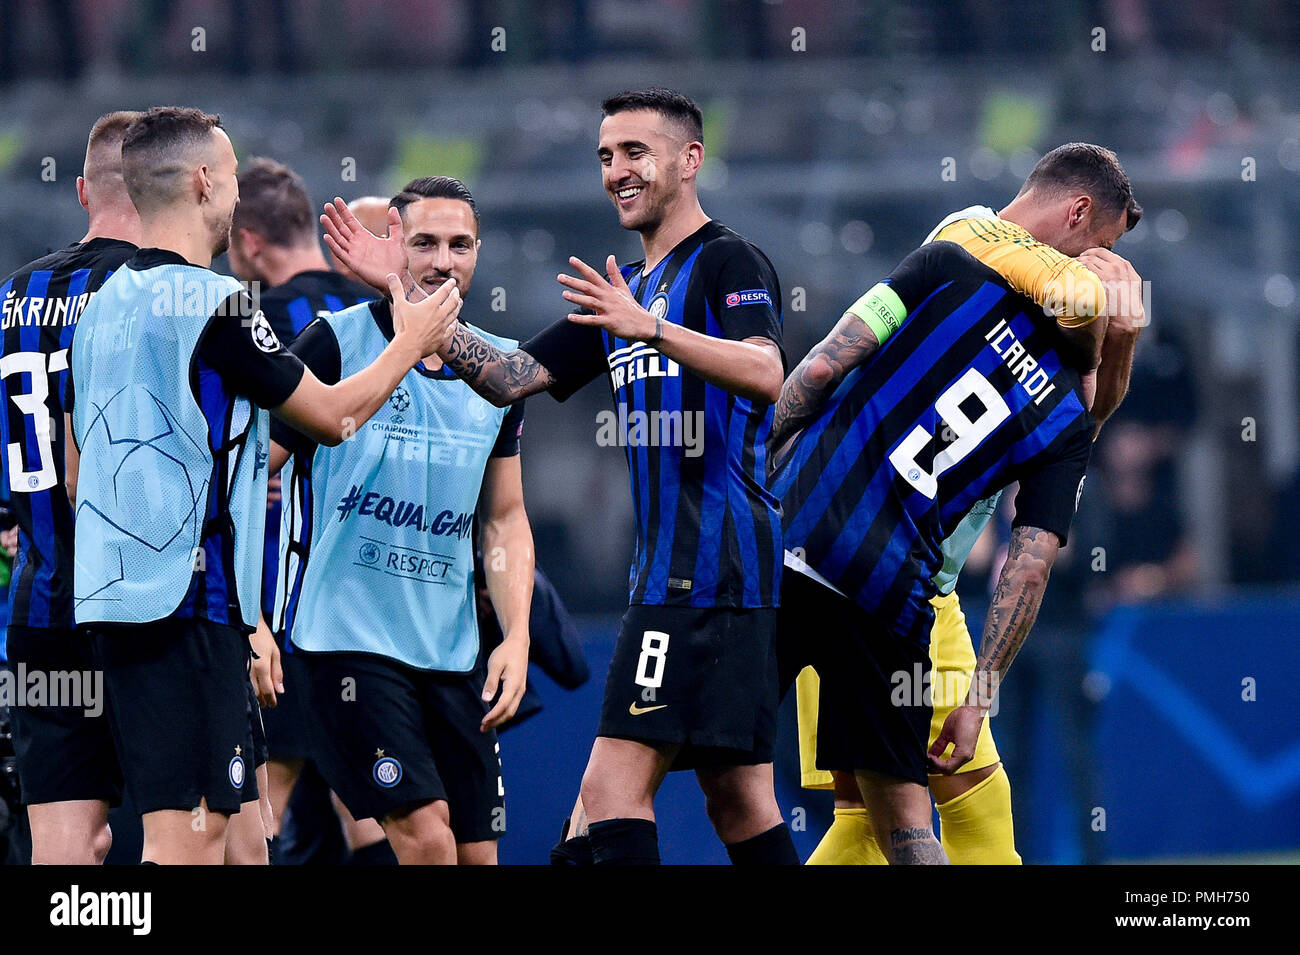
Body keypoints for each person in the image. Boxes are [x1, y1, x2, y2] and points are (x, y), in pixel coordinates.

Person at [324, 88, 797, 865]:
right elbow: (507, 375)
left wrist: (651, 328)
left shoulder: (725, 260)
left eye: (635, 153)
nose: (616, 171)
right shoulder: (624, 290)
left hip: (709, 572)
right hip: (684, 578)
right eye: (607, 156)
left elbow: (768, 370)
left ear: (690, 159)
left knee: (609, 798)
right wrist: (401, 291)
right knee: (738, 798)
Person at [66, 106, 461, 864]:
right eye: (233, 173)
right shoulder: (212, 305)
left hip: (133, 602)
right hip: (185, 610)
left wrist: (243, 615)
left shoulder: (105, 303)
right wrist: (410, 340)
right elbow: (334, 416)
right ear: (205, 181)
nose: (238, 194)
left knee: (245, 836)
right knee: (190, 835)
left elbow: (80, 462)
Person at [767, 143, 1143, 864]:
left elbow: (1078, 428)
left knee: (876, 814)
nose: (1098, 265)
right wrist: (1106, 315)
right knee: (915, 810)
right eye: (1101, 246)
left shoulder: (969, 270)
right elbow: (1076, 404)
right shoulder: (965, 233)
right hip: (892, 576)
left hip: (848, 547)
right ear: (1077, 213)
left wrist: (1117, 338)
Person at [270, 176, 534, 865]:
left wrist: (516, 636)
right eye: (424, 242)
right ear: (394, 247)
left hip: (451, 651)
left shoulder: (498, 371)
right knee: (426, 838)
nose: (444, 260)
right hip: (346, 643)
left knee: (476, 855)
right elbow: (255, 462)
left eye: (460, 244)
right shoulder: (334, 340)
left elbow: (505, 517)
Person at [225, 160, 379, 862]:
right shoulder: (381, 311)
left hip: (277, 601)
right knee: (371, 806)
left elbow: (244, 466)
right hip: (372, 602)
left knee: (261, 804)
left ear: (250, 242)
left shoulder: (244, 322)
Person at [0, 111, 142, 864]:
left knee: (66, 841)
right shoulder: (156, 293)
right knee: (211, 832)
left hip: (37, 603)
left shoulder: (9, 297)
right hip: (146, 611)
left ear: (84, 190)